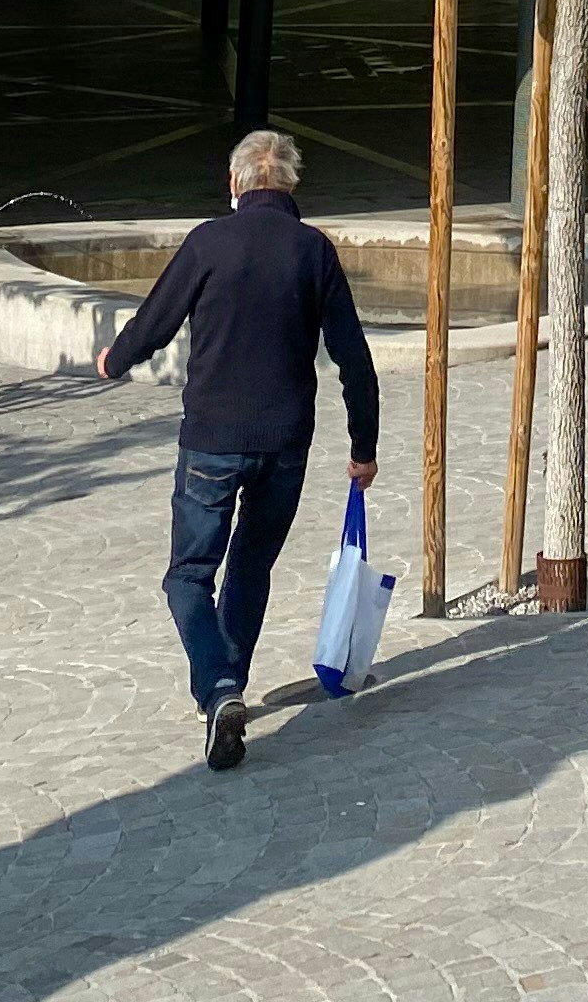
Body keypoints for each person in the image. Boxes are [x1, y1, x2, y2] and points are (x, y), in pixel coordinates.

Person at [97, 126, 381, 774]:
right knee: (250, 566)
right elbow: (353, 360)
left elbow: (154, 321)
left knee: (189, 574)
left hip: (214, 440)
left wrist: (115, 361)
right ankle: (228, 689)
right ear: (290, 185)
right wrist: (363, 446)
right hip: (285, 441)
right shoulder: (313, 252)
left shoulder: (209, 242)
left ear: (235, 184)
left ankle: (219, 687)